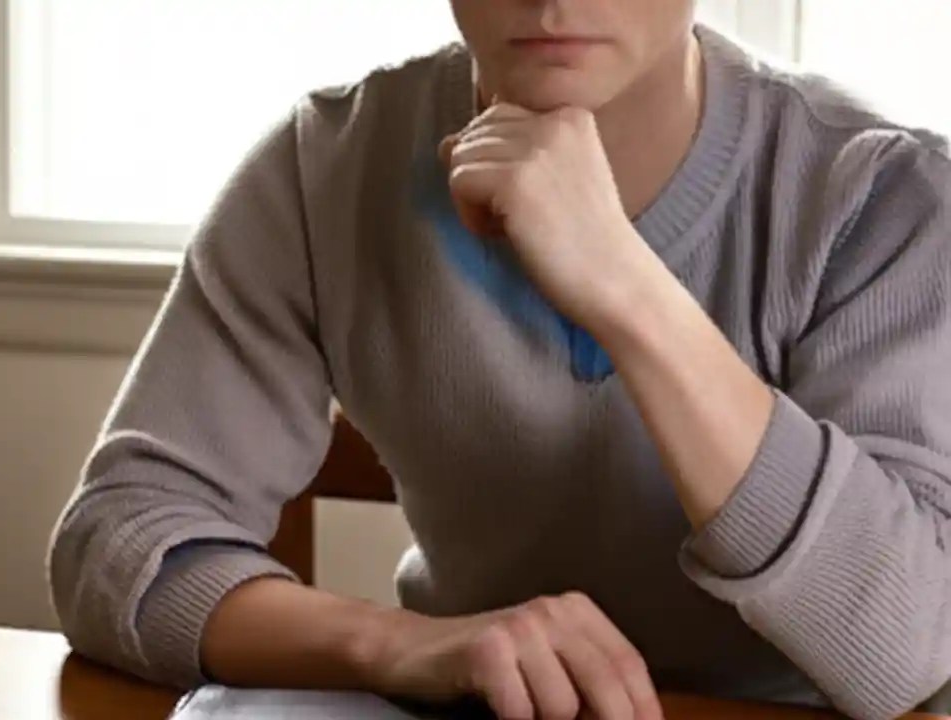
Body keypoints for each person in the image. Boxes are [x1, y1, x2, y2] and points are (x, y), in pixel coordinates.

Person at [48, 1, 951, 718]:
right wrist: (404, 647)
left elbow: (902, 646)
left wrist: (622, 281)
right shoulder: (324, 166)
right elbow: (118, 545)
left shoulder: (882, 195)